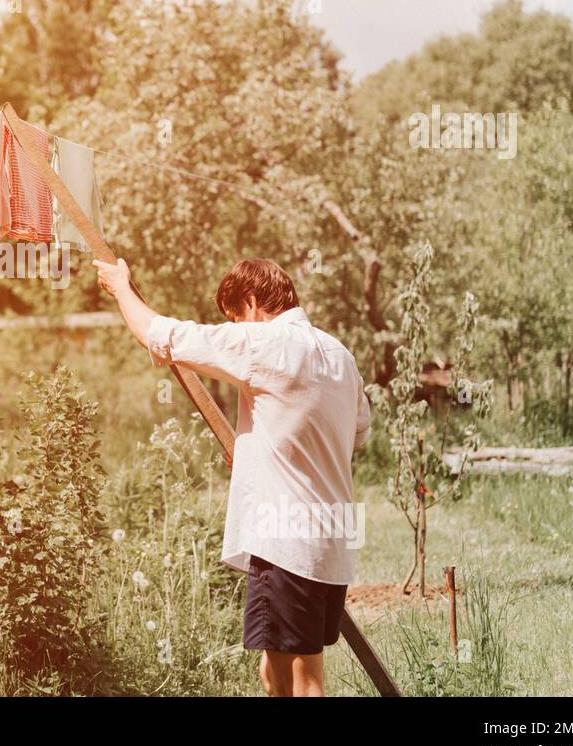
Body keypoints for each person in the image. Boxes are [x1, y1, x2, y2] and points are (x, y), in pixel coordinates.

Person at [93, 256, 370, 697]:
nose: (238, 327)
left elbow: (162, 336)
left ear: (253, 301)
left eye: (237, 317)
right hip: (331, 543)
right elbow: (352, 435)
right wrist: (260, 447)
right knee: (274, 672)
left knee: (302, 683)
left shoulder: (264, 344)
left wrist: (121, 287)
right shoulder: (340, 356)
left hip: (286, 544)